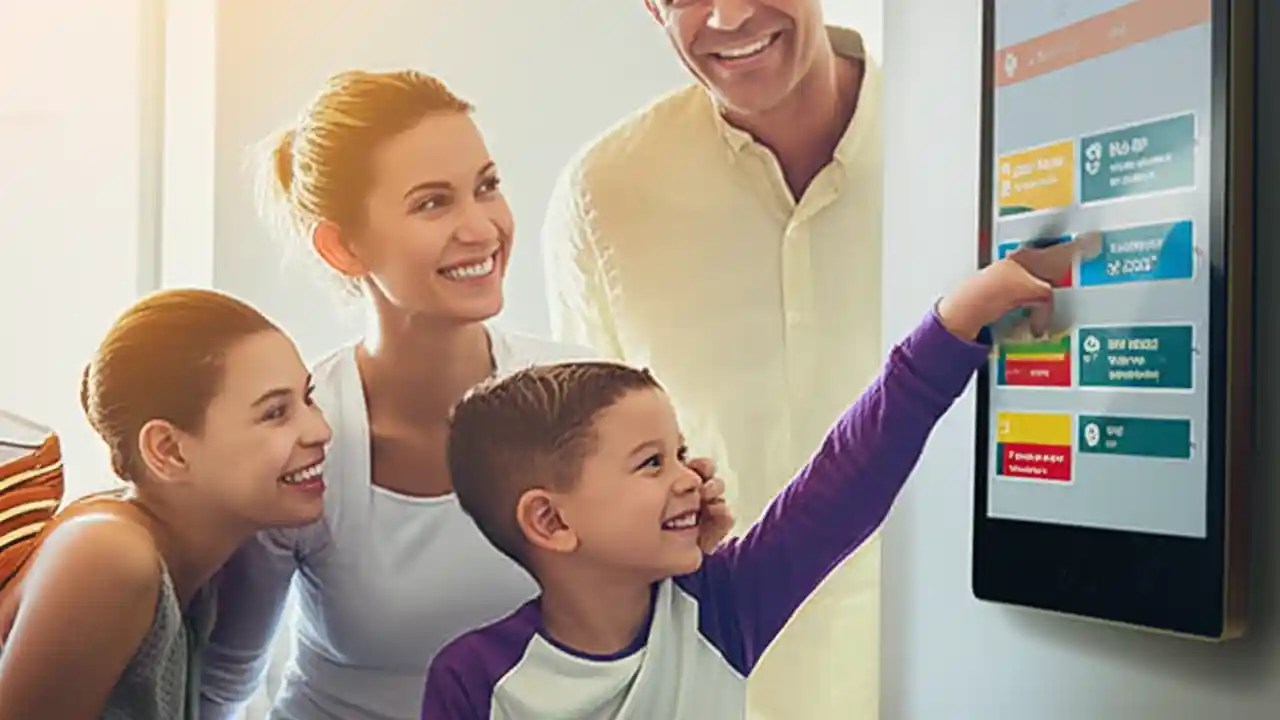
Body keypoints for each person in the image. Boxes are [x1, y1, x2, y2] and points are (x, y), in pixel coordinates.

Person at [198, 69, 734, 720]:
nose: (481, 228)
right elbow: (219, 686)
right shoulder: (300, 443)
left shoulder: (588, 399)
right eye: (432, 203)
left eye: (487, 187)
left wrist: (685, 549)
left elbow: (656, 642)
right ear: (342, 246)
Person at [422, 246, 1068, 719]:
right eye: (651, 463)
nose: (690, 477)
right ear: (552, 521)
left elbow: (842, 485)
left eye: (680, 452)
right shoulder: (474, 680)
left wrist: (955, 322)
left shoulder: (719, 607)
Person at [540, 2, 884, 716]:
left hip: (960, 671)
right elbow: (593, 506)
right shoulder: (600, 198)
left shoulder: (968, 135)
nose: (729, 15)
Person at [0, 288, 331, 719]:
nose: (321, 430)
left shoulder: (189, 566)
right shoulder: (111, 557)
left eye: (308, 398)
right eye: (274, 413)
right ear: (168, 450)